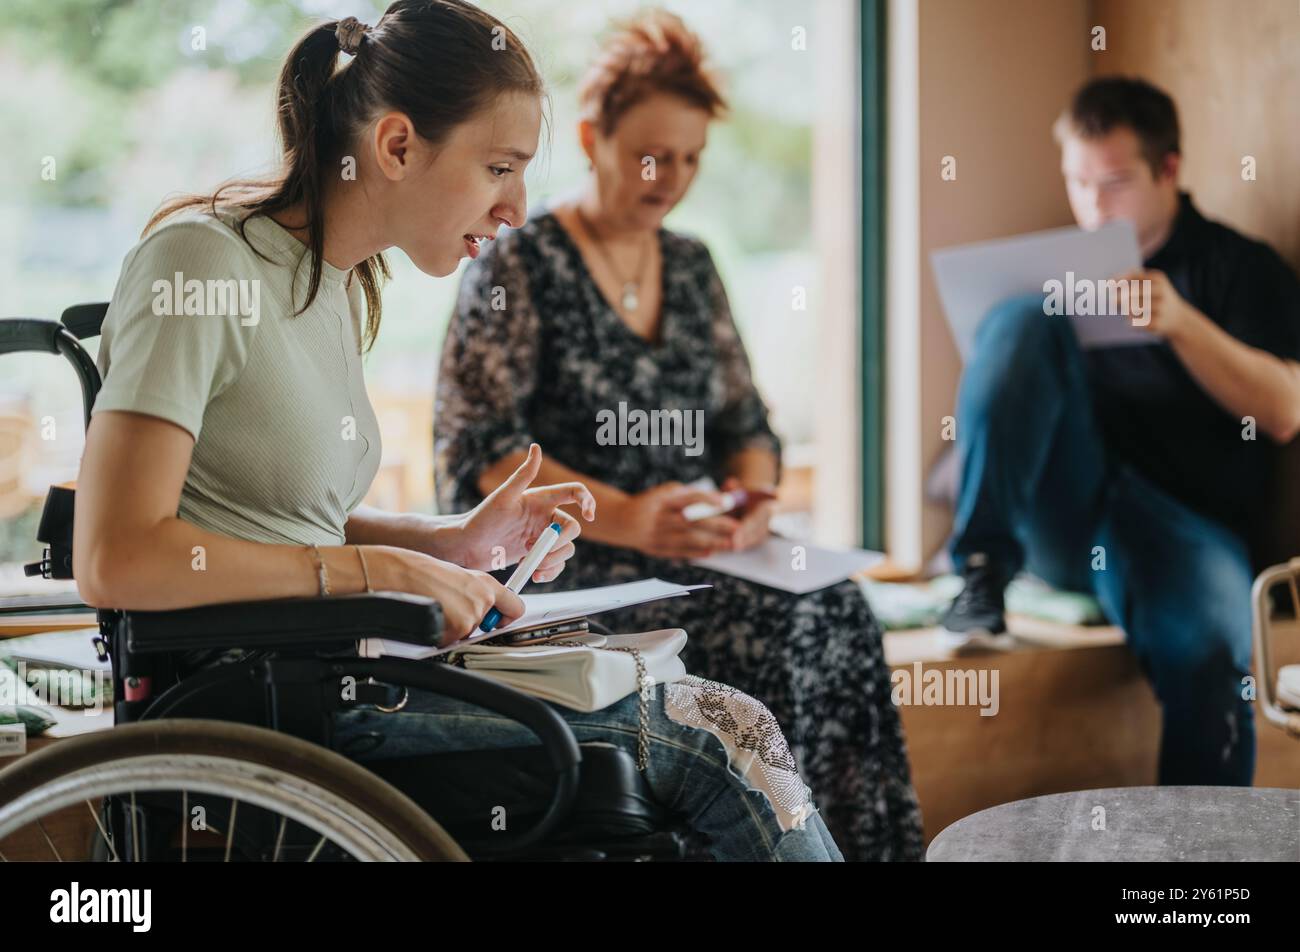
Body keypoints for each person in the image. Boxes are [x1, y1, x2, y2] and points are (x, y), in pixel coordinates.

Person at [74, 0, 841, 862]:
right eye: (499, 167)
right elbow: (117, 556)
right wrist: (379, 569)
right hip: (274, 705)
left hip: (332, 668)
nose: (516, 205)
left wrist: (453, 543)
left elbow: (270, 521)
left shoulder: (331, 284)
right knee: (721, 734)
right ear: (397, 147)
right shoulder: (200, 262)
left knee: (708, 715)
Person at [435, 9, 923, 861]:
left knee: (840, 605)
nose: (671, 177)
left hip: (700, 546)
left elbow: (748, 423)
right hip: (571, 560)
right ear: (593, 138)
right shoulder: (519, 262)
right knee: (769, 625)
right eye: (650, 154)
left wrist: (754, 499)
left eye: (692, 158)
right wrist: (629, 517)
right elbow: (480, 452)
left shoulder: (693, 264)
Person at [939, 76, 1300, 785]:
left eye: (1112, 183)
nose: (1092, 206)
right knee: (1017, 318)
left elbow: (1284, 411)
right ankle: (980, 573)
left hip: (1181, 526)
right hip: (1070, 514)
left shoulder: (1237, 267)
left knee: (1209, 654)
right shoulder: (1062, 270)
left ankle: (1195, 880)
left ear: (1168, 170)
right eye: (1077, 182)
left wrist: (1181, 324)